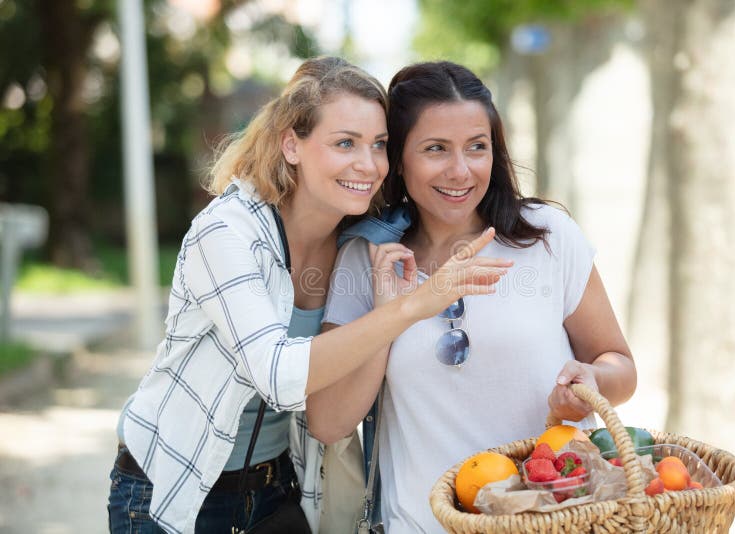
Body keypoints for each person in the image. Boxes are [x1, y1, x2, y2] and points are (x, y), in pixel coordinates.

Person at [107, 57, 511, 534]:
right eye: (345, 143)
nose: (368, 164)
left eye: (379, 145)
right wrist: (412, 306)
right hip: (175, 482)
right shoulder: (225, 233)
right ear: (291, 145)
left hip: (278, 485)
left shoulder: (360, 242)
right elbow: (279, 375)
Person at [318, 61, 637, 533]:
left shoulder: (550, 238)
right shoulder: (367, 259)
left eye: (477, 147)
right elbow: (328, 421)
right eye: (435, 149)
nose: (461, 170)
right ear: (398, 160)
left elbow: (621, 368)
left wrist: (593, 378)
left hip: (557, 519)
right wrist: (392, 313)